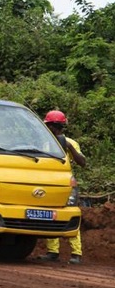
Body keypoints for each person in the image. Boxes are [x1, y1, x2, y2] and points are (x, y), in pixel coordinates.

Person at [37, 110, 86, 264]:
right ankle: (52, 251)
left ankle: (76, 253)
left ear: (53, 126)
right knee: (50, 216)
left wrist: (69, 147)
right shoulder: (44, 143)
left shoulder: (70, 142)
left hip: (64, 184)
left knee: (69, 215)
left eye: (48, 126)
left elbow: (82, 162)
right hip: (47, 183)